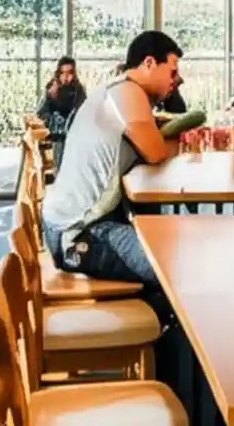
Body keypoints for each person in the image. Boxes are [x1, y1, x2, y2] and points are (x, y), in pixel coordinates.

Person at [41, 30, 182, 288]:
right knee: (171, 263)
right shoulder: (128, 91)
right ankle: (159, 325)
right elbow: (157, 153)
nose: (177, 79)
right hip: (76, 233)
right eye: (172, 71)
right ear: (149, 63)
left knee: (166, 245)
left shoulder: (115, 91)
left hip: (69, 222)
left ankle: (155, 320)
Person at [37, 56, 87, 167]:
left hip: (74, 131)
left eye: (69, 73)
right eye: (63, 73)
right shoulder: (52, 89)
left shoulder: (78, 90)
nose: (66, 77)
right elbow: (41, 112)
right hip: (55, 132)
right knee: (60, 141)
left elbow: (82, 111)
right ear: (58, 73)